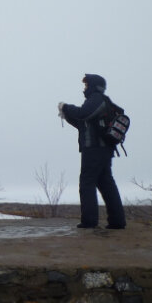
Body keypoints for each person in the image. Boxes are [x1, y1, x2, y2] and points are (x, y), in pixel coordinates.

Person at [58, 74, 126, 229]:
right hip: (104, 149)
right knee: (106, 183)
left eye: (87, 85)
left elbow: (83, 114)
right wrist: (67, 115)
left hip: (94, 149)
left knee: (87, 183)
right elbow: (83, 123)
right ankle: (117, 222)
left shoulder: (96, 99)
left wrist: (66, 107)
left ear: (94, 86)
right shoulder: (101, 101)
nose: (85, 88)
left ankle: (89, 222)